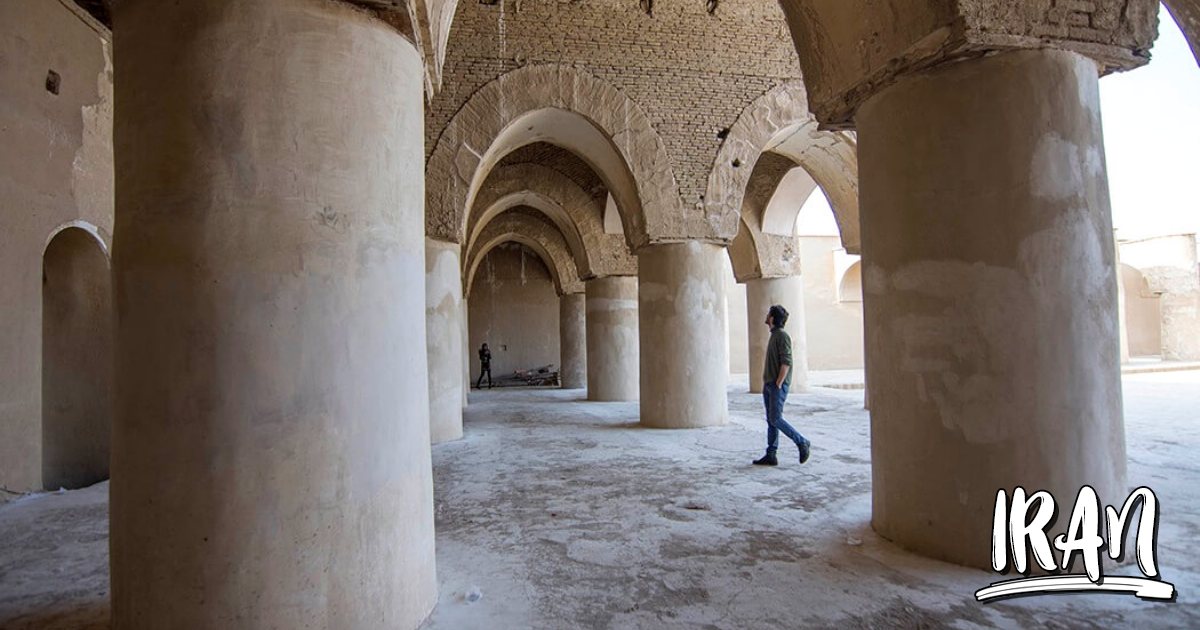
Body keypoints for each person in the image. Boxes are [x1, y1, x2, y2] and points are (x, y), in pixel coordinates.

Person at [753, 304, 811, 466]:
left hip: (776, 385)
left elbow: (786, 361)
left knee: (776, 419)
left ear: (772, 318)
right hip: (770, 384)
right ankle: (771, 454)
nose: (766, 316)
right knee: (771, 420)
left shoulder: (782, 336)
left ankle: (802, 442)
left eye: (768, 314)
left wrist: (778, 382)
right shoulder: (775, 335)